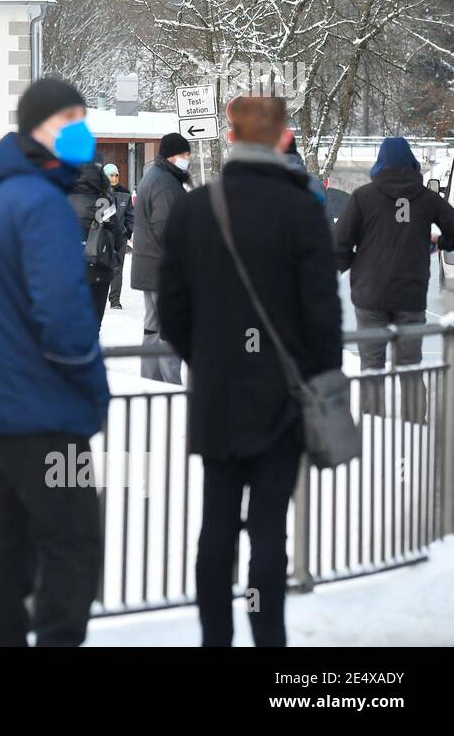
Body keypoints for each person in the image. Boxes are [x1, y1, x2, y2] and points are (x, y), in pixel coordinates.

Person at [158, 93, 341, 647]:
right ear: (283, 138)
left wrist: (208, 360)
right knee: (268, 531)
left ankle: (216, 638)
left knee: (215, 529)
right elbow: (321, 311)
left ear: (230, 137)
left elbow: (172, 308)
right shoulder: (302, 209)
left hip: (217, 396)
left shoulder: (196, 208)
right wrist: (316, 377)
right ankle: (269, 641)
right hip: (282, 400)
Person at [0, 77, 109, 647]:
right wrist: (91, 389)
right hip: (46, 408)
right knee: (71, 546)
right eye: (71, 120)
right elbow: (64, 317)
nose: (82, 132)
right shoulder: (40, 203)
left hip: (2, 405)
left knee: (11, 540)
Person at [335, 136, 454, 421]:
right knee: (411, 365)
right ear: (412, 163)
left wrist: (355, 264)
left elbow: (339, 243)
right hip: (410, 296)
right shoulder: (426, 198)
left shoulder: (363, 197)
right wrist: (440, 242)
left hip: (369, 294)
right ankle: (414, 426)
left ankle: (374, 425)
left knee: (371, 365)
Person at [131, 132, 192, 384]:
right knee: (168, 329)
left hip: (149, 266)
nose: (188, 159)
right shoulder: (166, 184)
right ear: (171, 155)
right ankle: (170, 384)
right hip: (163, 270)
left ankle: (150, 380)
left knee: (153, 327)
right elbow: (168, 230)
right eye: (185, 155)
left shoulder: (154, 176)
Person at [67, 162, 117, 327]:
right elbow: (115, 231)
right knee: (94, 324)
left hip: (68, 268)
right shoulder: (104, 200)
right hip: (98, 266)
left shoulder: (61, 197)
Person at [103, 163, 134, 310]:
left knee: (117, 269)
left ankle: (115, 300)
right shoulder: (98, 191)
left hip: (119, 237)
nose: (114, 178)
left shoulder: (125, 193)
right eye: (111, 175)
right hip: (101, 237)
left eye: (116, 175)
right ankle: (97, 298)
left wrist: (128, 232)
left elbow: (130, 216)